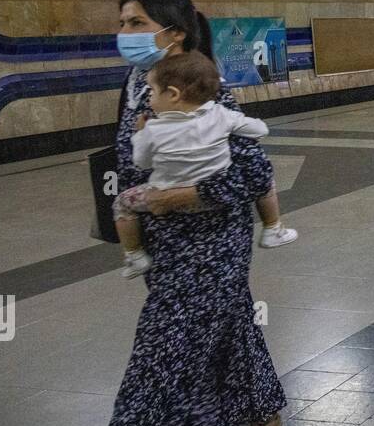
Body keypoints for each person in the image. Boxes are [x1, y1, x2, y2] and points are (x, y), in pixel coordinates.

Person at [24, 0, 287, 426]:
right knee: (233, 327)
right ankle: (264, 416)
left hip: (209, 250)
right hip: (165, 251)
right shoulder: (137, 85)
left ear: (175, 32)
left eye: (137, 21)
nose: (125, 32)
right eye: (121, 21)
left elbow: (254, 172)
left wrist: (182, 197)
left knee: (154, 369)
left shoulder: (211, 90)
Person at [114, 50, 291, 277]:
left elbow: (141, 162)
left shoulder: (154, 129)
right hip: (212, 199)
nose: (149, 98)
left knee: (122, 203)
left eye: (153, 92)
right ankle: (272, 227)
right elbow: (260, 129)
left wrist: (139, 134)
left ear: (173, 94)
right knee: (266, 178)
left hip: (166, 199)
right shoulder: (221, 115)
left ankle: (134, 255)